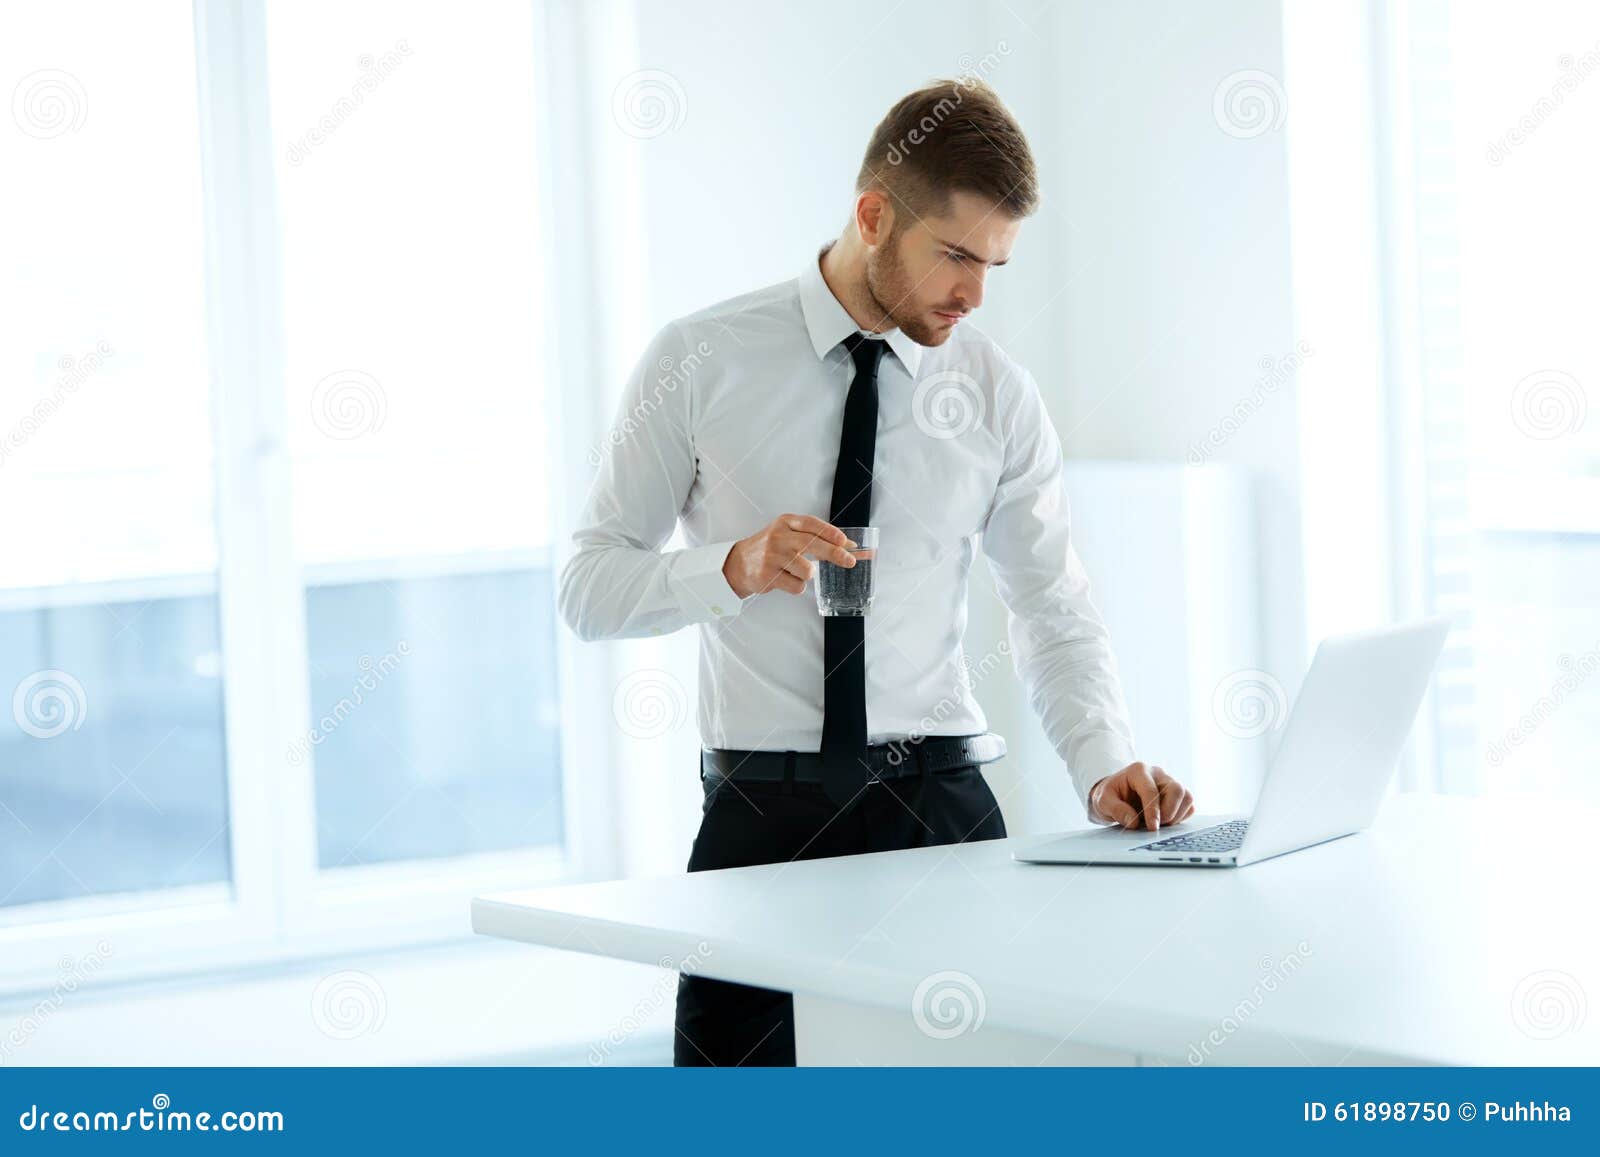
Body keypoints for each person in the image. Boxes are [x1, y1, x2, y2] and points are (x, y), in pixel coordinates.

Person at [558, 78, 1196, 1067]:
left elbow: (1052, 604)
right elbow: (589, 590)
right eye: (955, 255)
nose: (974, 294)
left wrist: (1103, 759)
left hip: (941, 810)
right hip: (763, 827)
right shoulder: (699, 360)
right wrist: (728, 567)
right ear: (873, 216)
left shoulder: (996, 393)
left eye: (994, 264)